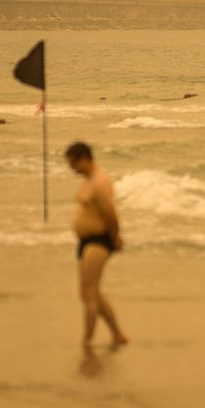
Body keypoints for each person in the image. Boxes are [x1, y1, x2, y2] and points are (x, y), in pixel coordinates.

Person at [66, 141, 128, 348]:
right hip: (86, 241)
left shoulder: (100, 182)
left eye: (72, 164)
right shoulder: (88, 180)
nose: (71, 169)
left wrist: (115, 239)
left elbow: (111, 216)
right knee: (92, 292)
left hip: (99, 240)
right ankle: (118, 335)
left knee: (88, 294)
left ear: (83, 158)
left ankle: (87, 341)